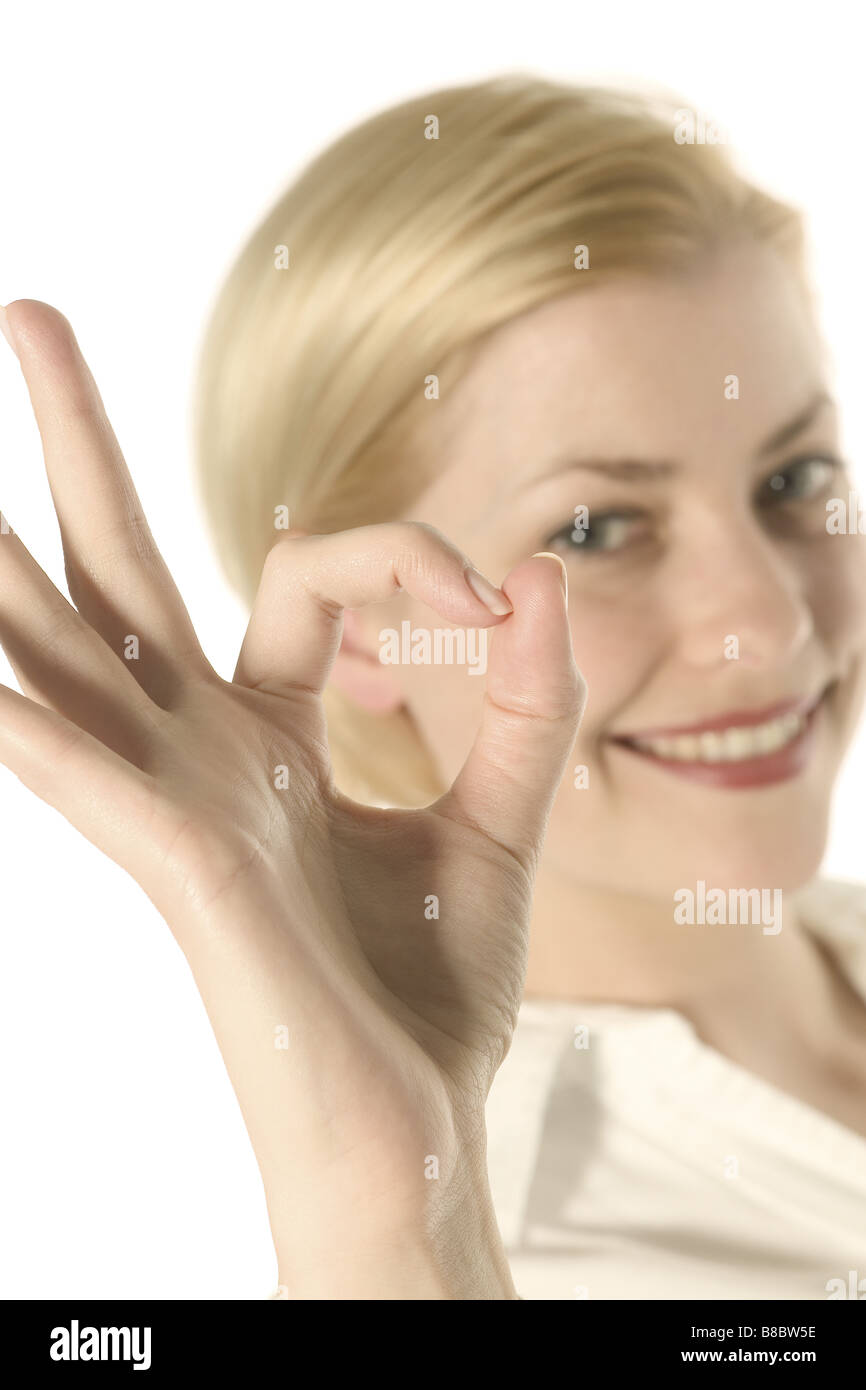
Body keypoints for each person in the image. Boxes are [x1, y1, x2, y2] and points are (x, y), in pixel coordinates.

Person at [1, 73, 865, 1301]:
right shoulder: (529, 1252)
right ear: (365, 626)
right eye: (599, 526)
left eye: (792, 479)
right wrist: (388, 1226)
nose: (768, 627)